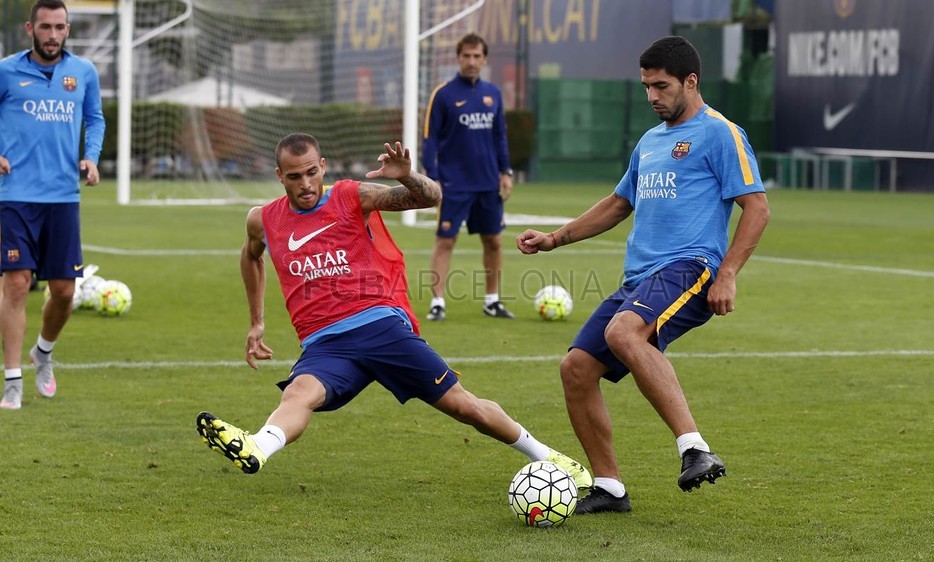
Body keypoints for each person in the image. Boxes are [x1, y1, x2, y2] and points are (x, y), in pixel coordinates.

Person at [195, 133, 592, 493]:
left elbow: (430, 198)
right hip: (324, 342)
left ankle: (549, 457)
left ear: (324, 167)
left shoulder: (352, 195)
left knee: (462, 405)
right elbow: (251, 257)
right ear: (279, 175)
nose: (306, 185)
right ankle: (257, 447)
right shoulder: (262, 219)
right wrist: (256, 321)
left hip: (379, 324)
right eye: (295, 177)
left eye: (312, 173)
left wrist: (406, 176)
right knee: (299, 393)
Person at [516, 36, 771, 514]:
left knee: (623, 331)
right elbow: (618, 205)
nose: (652, 96)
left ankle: (694, 447)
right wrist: (555, 238)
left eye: (661, 86)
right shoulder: (650, 142)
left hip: (690, 268)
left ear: (690, 82)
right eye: (646, 87)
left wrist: (729, 273)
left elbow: (757, 209)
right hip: (641, 277)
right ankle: (610, 488)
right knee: (576, 369)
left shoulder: (720, 133)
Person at [0, 0, 105, 410]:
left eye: (60, 27)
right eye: (45, 27)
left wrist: (91, 156)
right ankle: (12, 382)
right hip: (15, 195)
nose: (53, 35)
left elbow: (95, 118)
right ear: (30, 28)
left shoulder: (83, 73)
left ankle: (42, 353)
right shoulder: (7, 70)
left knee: (64, 292)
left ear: (68, 29)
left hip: (63, 196)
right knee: (16, 282)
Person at [421, 33, 514, 321]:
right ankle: (437, 302)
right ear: (458, 58)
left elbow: (500, 136)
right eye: (466, 56)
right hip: (453, 184)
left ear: (484, 59)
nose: (471, 61)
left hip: (488, 183)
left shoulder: (493, 94)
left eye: (477, 56)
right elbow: (430, 139)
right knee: (445, 240)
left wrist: (505, 171)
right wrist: (432, 177)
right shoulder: (444, 94)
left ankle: (492, 300)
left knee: (494, 241)